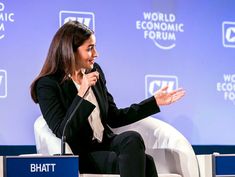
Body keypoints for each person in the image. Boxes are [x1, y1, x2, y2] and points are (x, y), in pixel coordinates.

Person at [30, 20, 185, 177]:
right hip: (81, 153)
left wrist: (153, 102)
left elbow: (113, 117)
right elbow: (63, 132)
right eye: (89, 49)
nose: (96, 54)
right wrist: (82, 92)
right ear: (70, 51)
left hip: (105, 144)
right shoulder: (48, 85)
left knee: (132, 139)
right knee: (147, 162)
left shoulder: (95, 72)